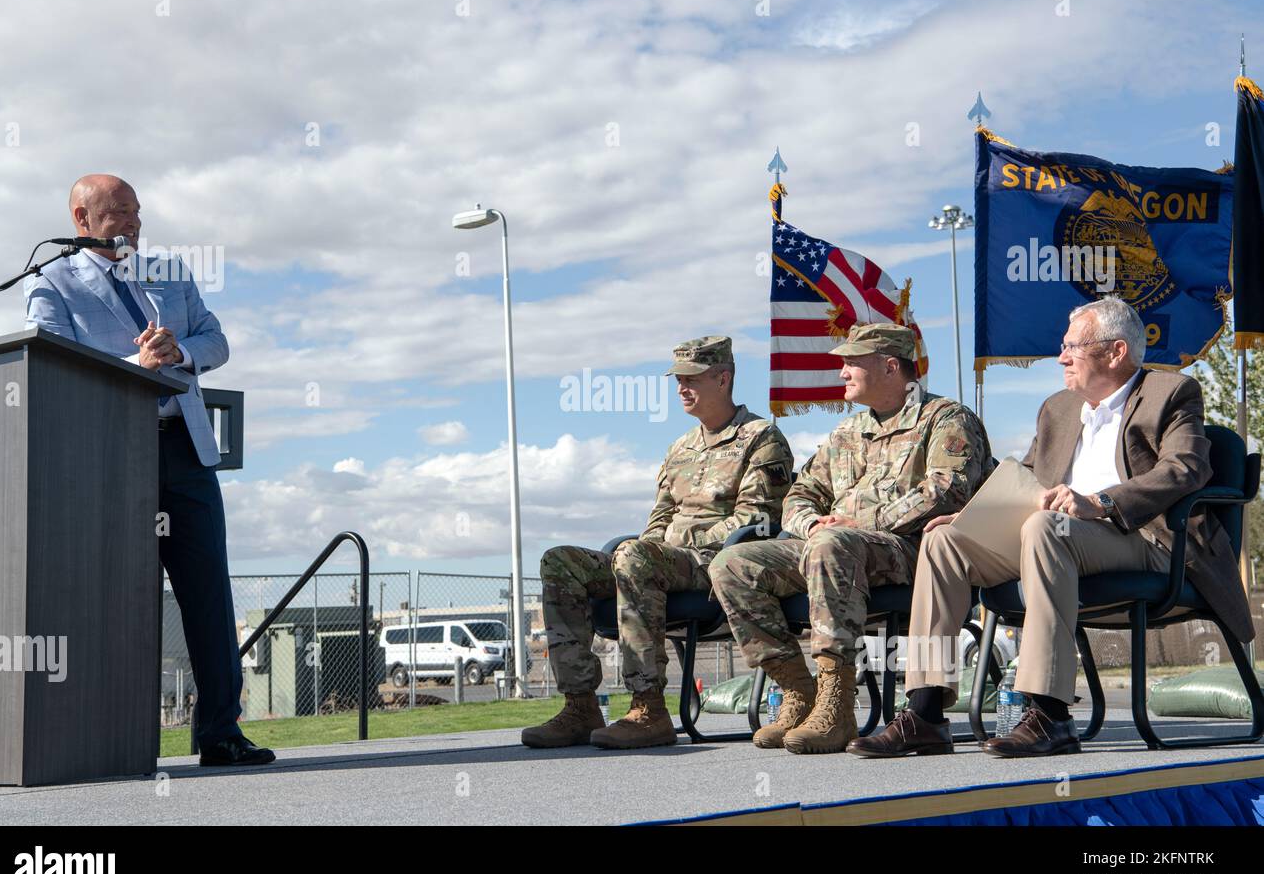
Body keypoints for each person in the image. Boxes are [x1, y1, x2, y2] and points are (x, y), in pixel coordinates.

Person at [848, 296, 1255, 759]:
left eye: (1071, 347)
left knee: (1047, 528)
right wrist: (972, 517)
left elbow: (1185, 469)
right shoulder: (1058, 408)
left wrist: (1101, 503)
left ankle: (1050, 714)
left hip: (1148, 540)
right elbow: (1022, 477)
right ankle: (924, 712)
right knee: (943, 541)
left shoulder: (1172, 393)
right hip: (1058, 538)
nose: (1060, 357)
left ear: (1115, 352)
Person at [24, 174, 273, 767]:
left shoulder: (169, 273)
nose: (134, 224)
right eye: (119, 214)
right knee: (106, 599)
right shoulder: (51, 282)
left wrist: (180, 352)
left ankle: (221, 734)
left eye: (137, 212)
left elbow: (216, 340)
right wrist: (136, 363)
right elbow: (53, 358)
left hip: (185, 452)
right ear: (82, 220)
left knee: (210, 593)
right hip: (110, 457)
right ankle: (104, 738)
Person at [710, 322, 993, 754]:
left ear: (890, 366)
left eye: (850, 363)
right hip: (835, 548)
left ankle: (837, 704)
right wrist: (812, 524)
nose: (841, 372)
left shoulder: (945, 419)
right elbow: (801, 494)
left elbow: (946, 489)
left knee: (831, 546)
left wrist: (862, 523)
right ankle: (799, 692)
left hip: (916, 552)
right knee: (732, 564)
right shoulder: (846, 434)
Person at [521, 336, 794, 749]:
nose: (682, 388)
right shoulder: (679, 449)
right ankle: (580, 705)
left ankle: (648, 708)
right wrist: (646, 548)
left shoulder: (761, 438)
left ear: (723, 378)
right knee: (561, 561)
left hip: (718, 562)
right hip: (661, 561)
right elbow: (660, 517)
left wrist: (669, 545)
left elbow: (757, 521)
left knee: (637, 556)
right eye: (678, 380)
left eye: (692, 379)